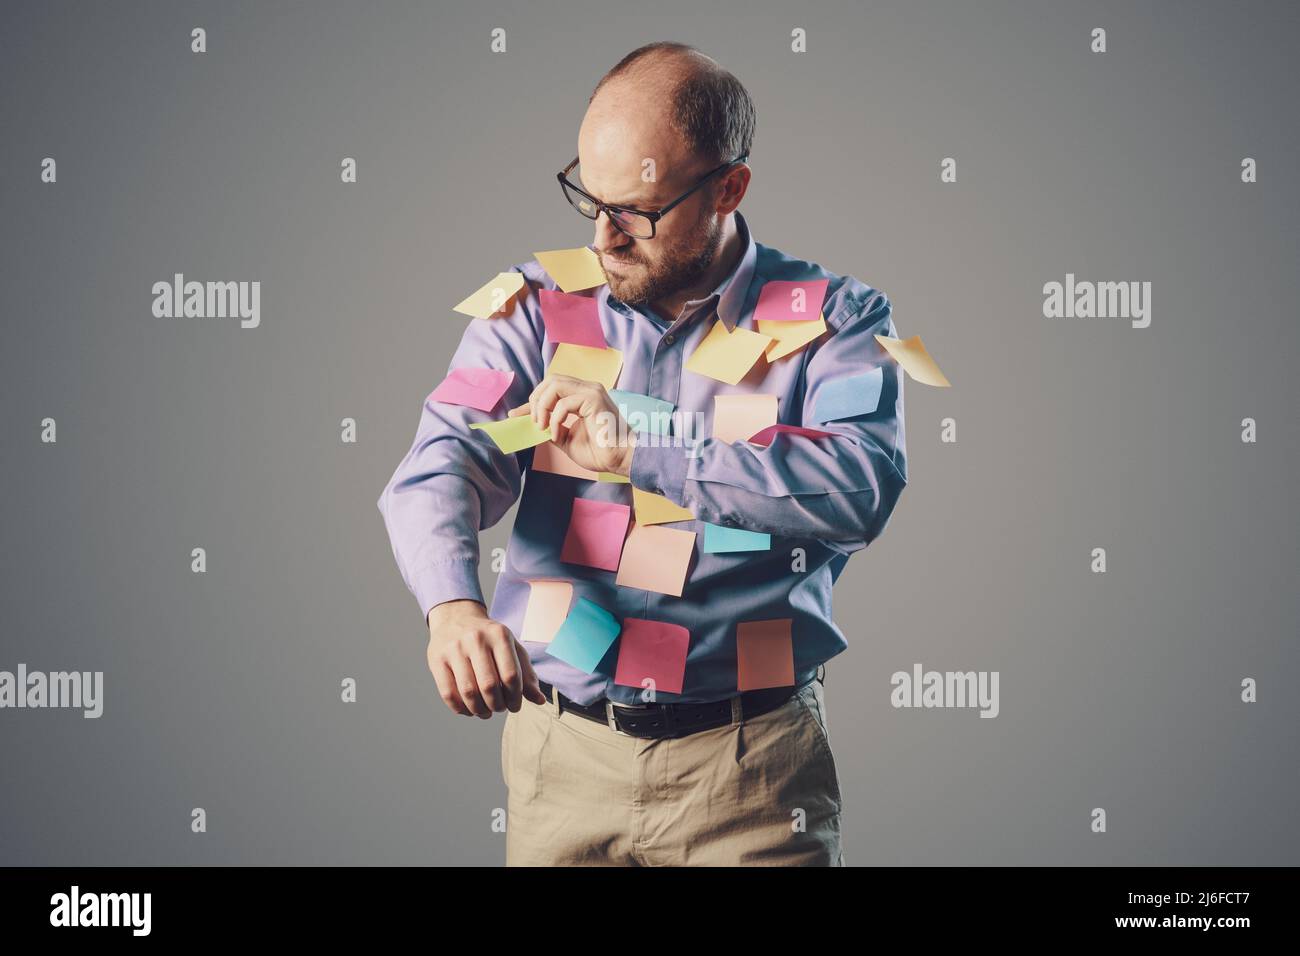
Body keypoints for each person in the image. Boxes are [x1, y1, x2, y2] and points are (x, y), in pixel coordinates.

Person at [378, 41, 908, 866]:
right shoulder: (533, 306)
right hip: (560, 760)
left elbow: (858, 489)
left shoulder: (835, 321)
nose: (604, 237)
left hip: (753, 773)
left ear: (729, 188)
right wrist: (451, 608)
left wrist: (646, 444)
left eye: (637, 211)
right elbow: (444, 458)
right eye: (589, 200)